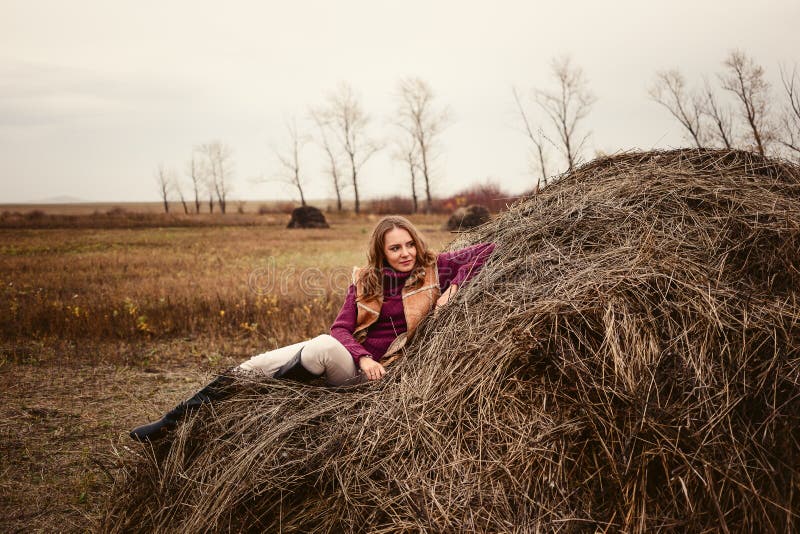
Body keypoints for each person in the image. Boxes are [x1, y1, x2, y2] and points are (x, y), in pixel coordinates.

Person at [129, 215, 496, 441]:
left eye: (409, 244)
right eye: (395, 248)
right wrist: (363, 357)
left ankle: (267, 399)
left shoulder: (436, 266)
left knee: (318, 347)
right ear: (381, 253)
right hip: (358, 364)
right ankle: (172, 422)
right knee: (256, 363)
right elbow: (340, 329)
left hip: (386, 373)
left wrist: (454, 288)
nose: (406, 254)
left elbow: (488, 249)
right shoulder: (367, 281)